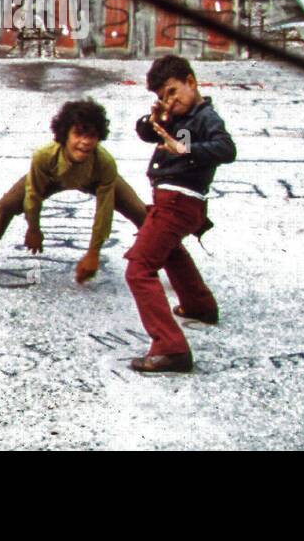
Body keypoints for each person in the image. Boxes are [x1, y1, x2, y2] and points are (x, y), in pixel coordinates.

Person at [0, 98, 149, 285]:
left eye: (91, 136)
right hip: (52, 178)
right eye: (78, 134)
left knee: (141, 211)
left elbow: (104, 212)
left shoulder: (105, 162)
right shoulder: (44, 156)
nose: (85, 142)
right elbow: (33, 195)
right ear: (65, 135)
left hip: (93, 179)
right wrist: (33, 228)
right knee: (5, 205)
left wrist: (93, 253)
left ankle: (175, 264)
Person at [126, 55, 236, 374]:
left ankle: (171, 348)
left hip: (180, 201)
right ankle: (199, 306)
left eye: (173, 92)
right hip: (172, 202)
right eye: (162, 97)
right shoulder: (175, 116)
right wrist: (154, 118)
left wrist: (187, 150)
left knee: (139, 267)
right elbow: (146, 133)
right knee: (169, 250)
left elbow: (226, 149)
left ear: (191, 82)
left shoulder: (206, 117)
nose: (170, 101)